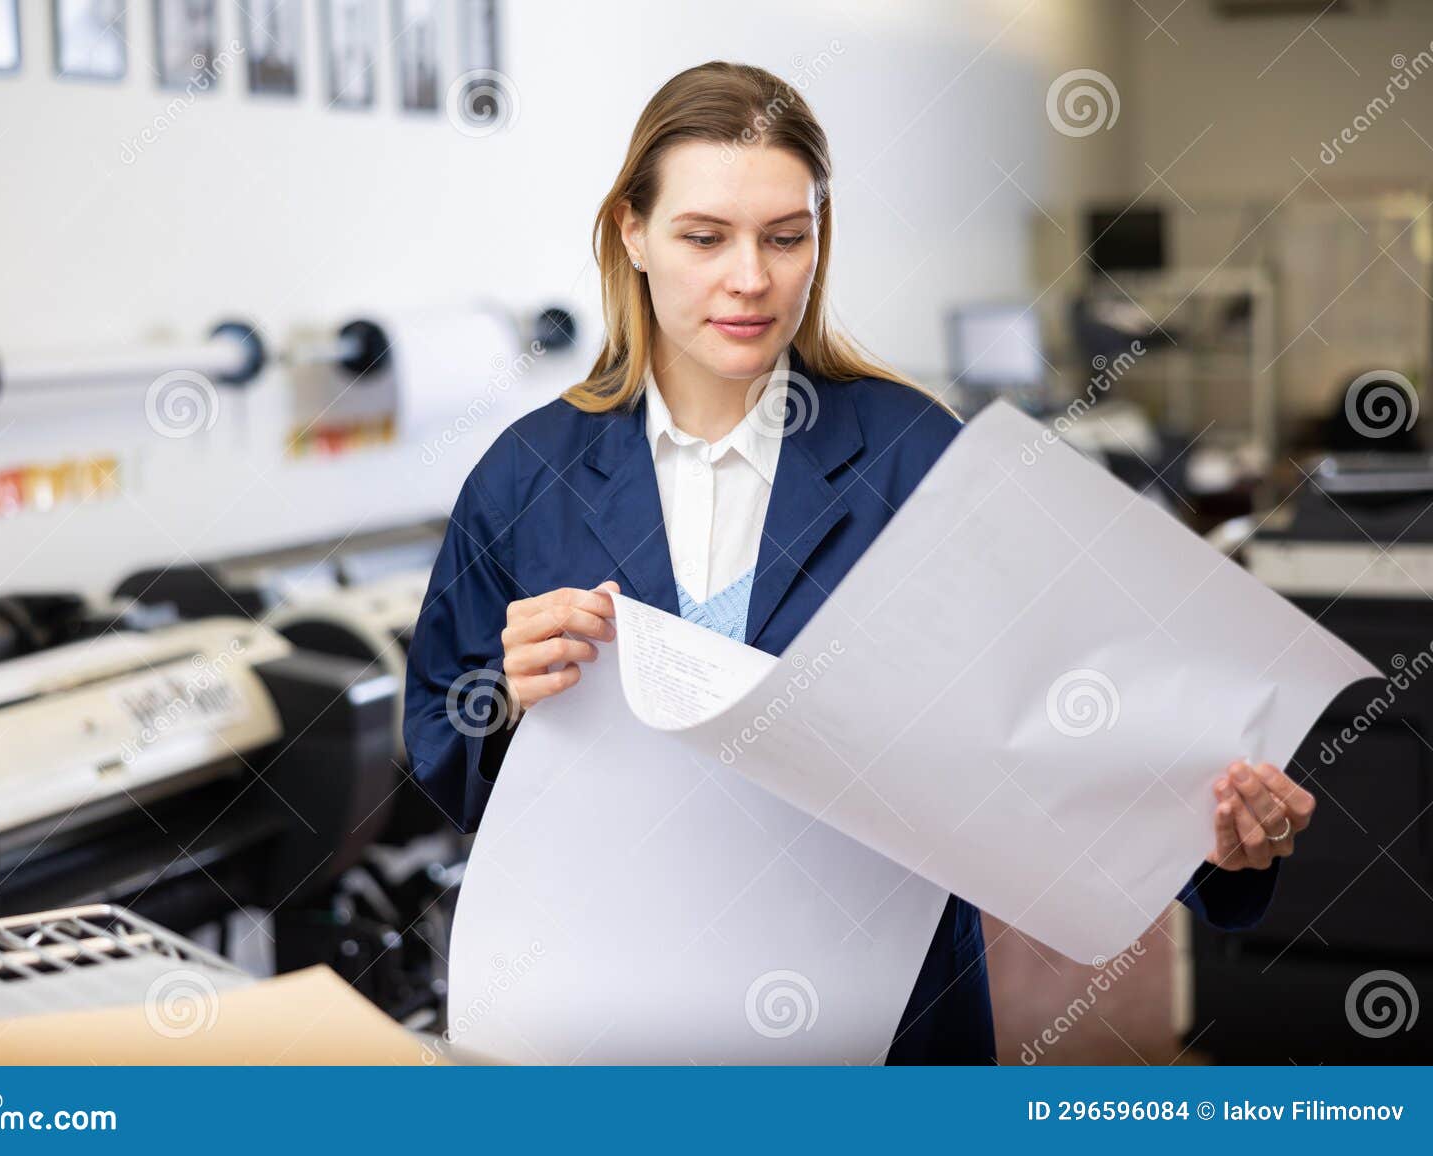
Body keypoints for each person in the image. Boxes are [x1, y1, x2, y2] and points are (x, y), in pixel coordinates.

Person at [403, 60, 1315, 1063]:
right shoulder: (527, 473)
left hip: (884, 1028)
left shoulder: (914, 453)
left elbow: (1067, 714)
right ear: (632, 232)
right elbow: (444, 739)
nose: (749, 277)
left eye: (784, 238)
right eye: (704, 237)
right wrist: (513, 698)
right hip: (619, 1016)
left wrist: (1217, 843)